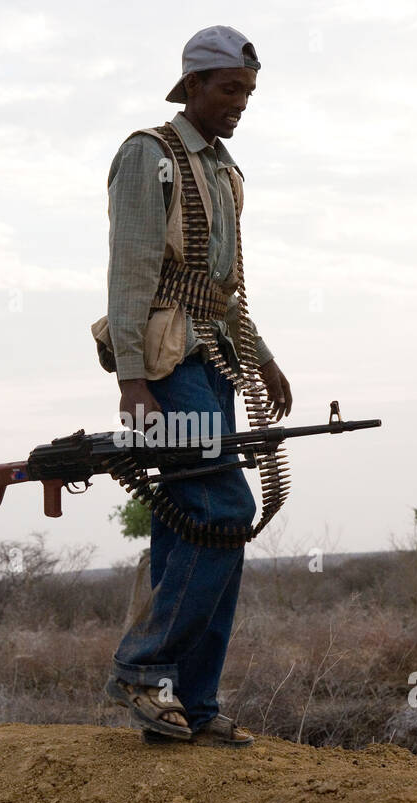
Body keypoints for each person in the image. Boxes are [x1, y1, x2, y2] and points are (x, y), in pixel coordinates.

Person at [97, 25, 292, 747]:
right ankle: (143, 670)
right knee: (222, 507)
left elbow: (220, 289)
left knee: (194, 529)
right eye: (229, 89)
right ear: (192, 87)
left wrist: (262, 357)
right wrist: (132, 383)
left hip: (216, 359)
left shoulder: (223, 170)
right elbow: (132, 277)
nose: (241, 103)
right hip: (167, 363)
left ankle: (190, 706)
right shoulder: (152, 157)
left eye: (248, 92)